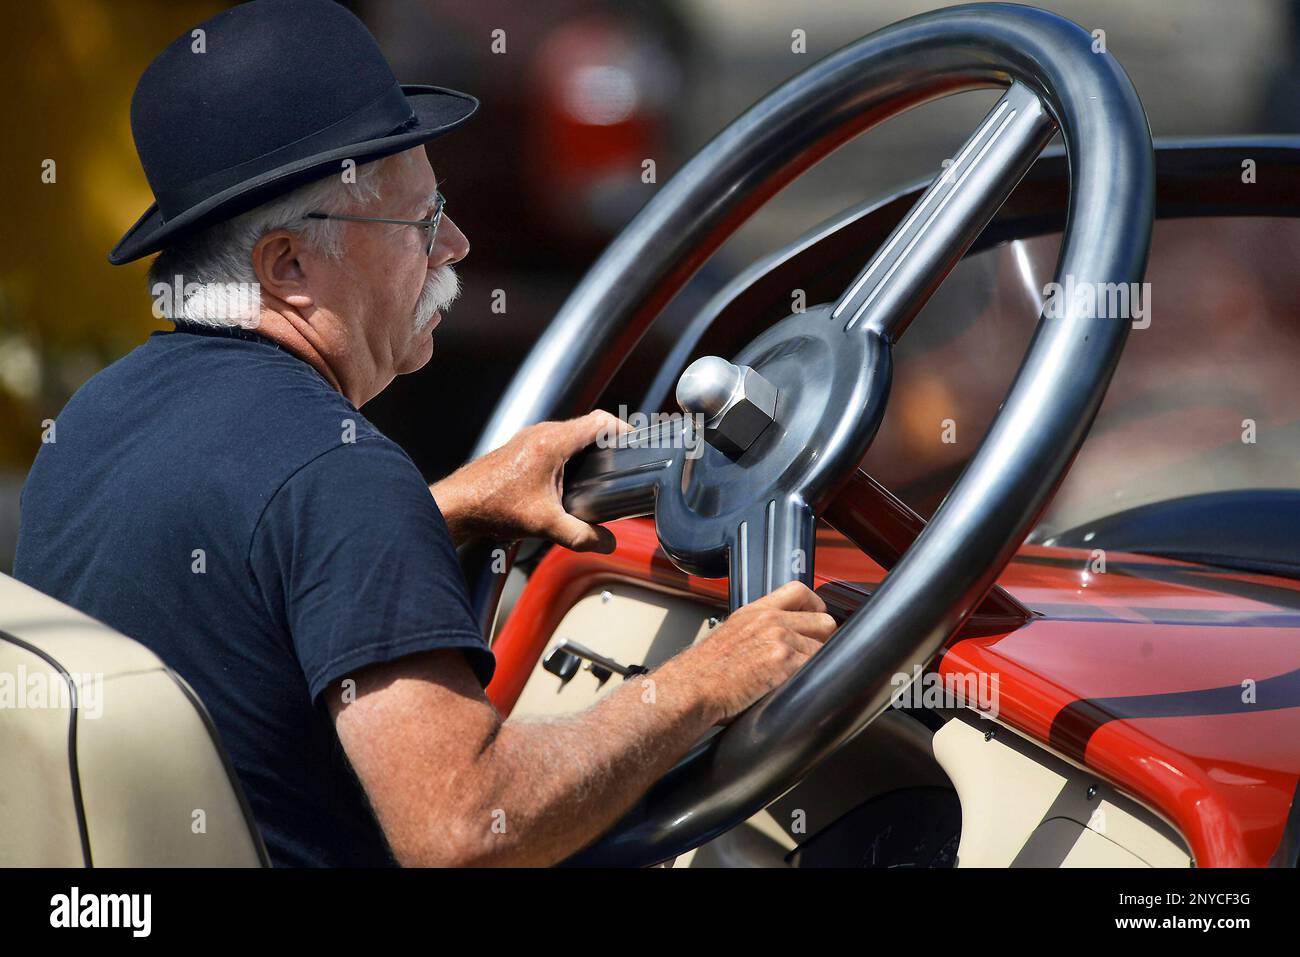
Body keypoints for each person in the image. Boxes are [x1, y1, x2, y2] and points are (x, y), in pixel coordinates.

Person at [14, 0, 834, 867]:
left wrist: (446, 504)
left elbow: (228, 591)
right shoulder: (339, 477)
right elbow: (462, 828)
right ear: (287, 264)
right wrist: (706, 679)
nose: (456, 241)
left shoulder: (95, 422)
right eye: (419, 219)